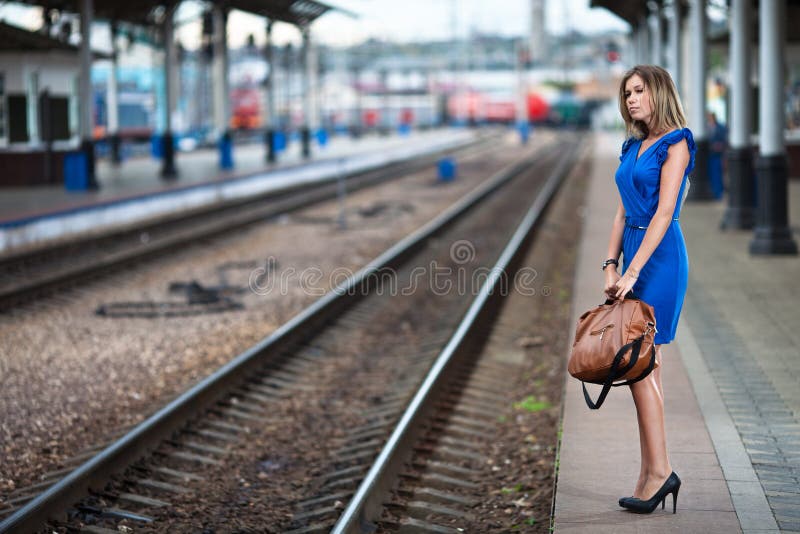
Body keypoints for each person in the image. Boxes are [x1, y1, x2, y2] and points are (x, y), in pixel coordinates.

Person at [602, 65, 695, 514]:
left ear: (658, 92)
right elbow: (621, 213)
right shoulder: (630, 146)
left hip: (660, 260)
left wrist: (633, 271)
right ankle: (651, 472)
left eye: (639, 91)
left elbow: (662, 213)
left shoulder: (676, 142)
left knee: (640, 367)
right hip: (633, 259)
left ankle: (659, 474)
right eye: (627, 93)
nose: (631, 99)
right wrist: (609, 264)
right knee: (643, 368)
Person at [707, 111, 727, 199]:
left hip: (718, 155)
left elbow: (724, 140)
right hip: (710, 155)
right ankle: (714, 193)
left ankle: (719, 194)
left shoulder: (721, 128)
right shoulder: (707, 128)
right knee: (712, 175)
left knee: (718, 174)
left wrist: (720, 146)